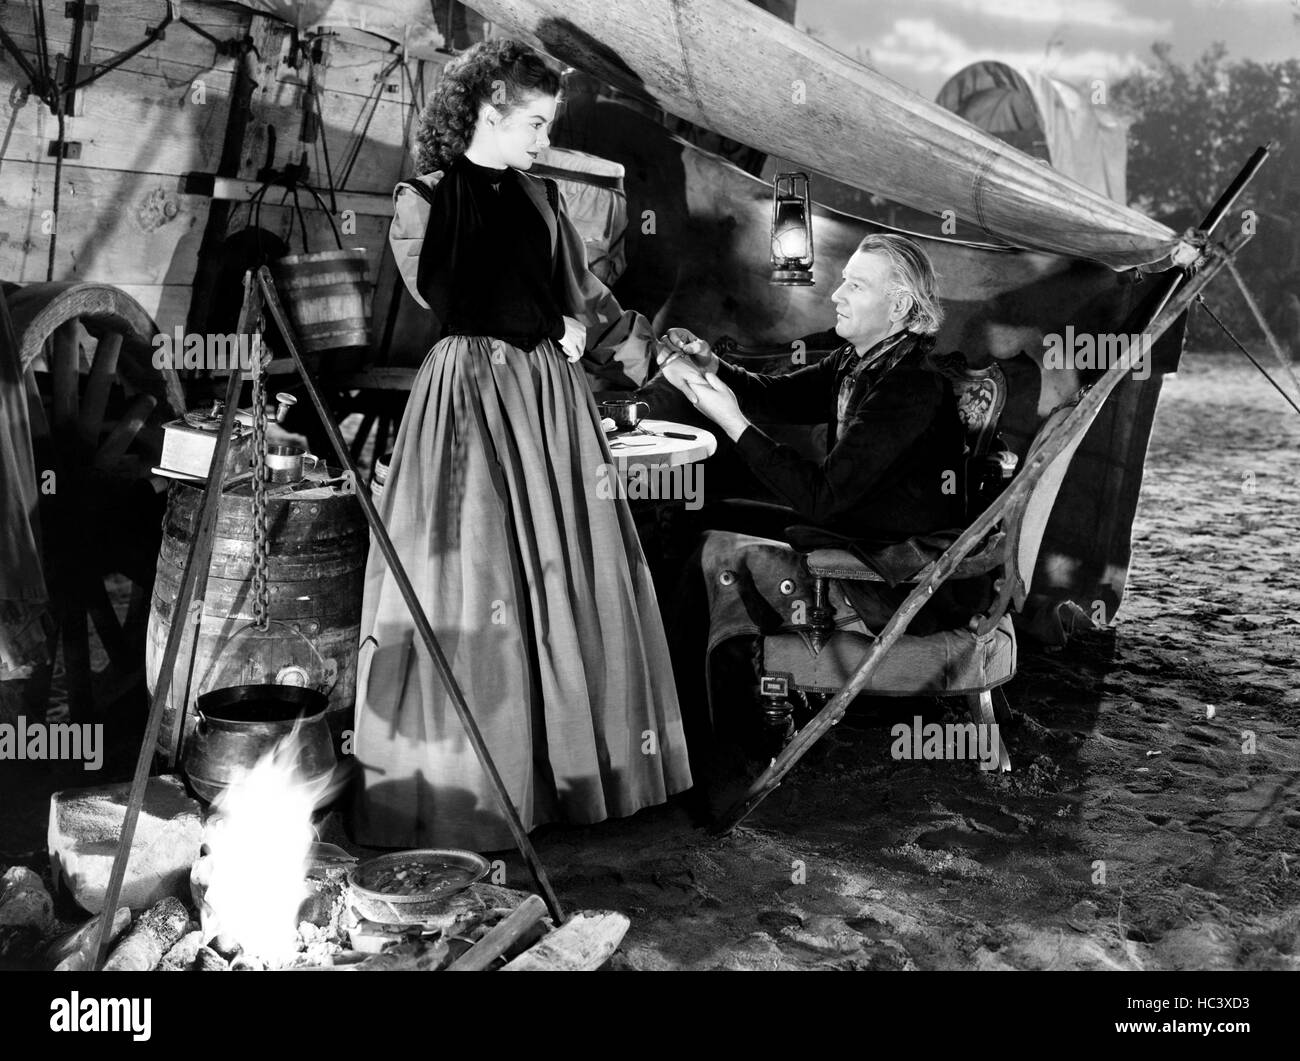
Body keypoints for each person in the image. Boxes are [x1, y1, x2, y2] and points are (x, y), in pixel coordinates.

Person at [351, 39, 692, 851]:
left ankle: (568, 775)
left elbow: (590, 299)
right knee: (470, 578)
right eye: (534, 123)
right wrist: (552, 326)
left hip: (548, 405)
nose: (543, 141)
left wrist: (660, 356)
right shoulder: (421, 202)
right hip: (467, 402)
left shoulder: (542, 200)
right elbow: (462, 294)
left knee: (565, 574)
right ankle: (469, 792)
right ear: (487, 106)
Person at [657, 234, 991, 764]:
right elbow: (776, 396)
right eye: (843, 280)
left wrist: (730, 421)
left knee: (706, 545)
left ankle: (706, 736)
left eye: (855, 285)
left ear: (899, 305)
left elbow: (820, 498)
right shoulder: (859, 361)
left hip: (888, 574)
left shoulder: (909, 387)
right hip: (854, 530)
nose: (836, 294)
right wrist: (714, 369)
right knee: (698, 511)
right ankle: (685, 711)